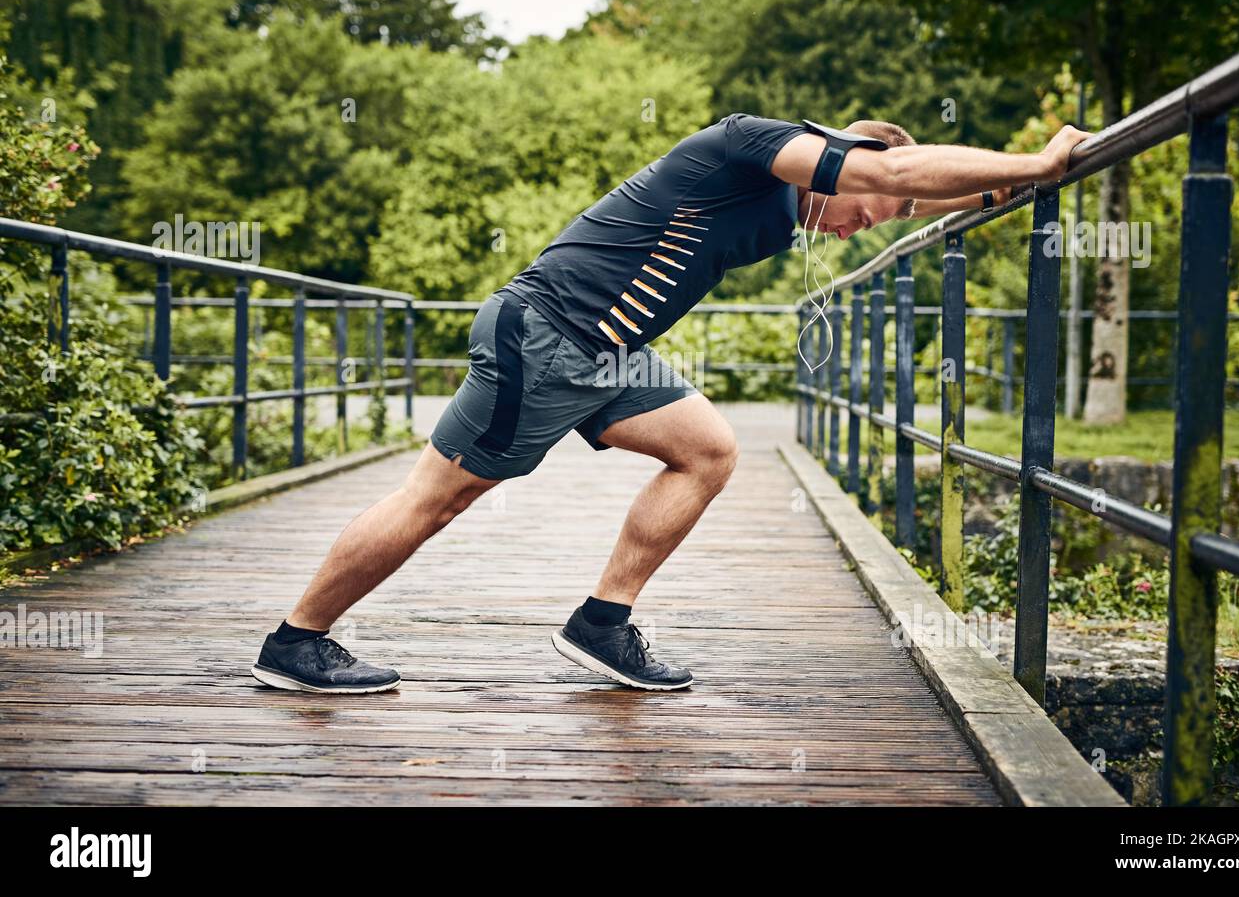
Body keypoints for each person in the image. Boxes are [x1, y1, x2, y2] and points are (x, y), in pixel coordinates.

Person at [251, 113, 1090, 693]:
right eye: (861, 213)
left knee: (708, 448)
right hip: (544, 335)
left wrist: (1003, 189)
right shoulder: (750, 143)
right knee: (436, 500)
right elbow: (894, 171)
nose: (853, 230)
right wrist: (1040, 159)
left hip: (607, 352)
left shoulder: (810, 194)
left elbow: (907, 189)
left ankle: (602, 623)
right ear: (843, 154)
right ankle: (296, 641)